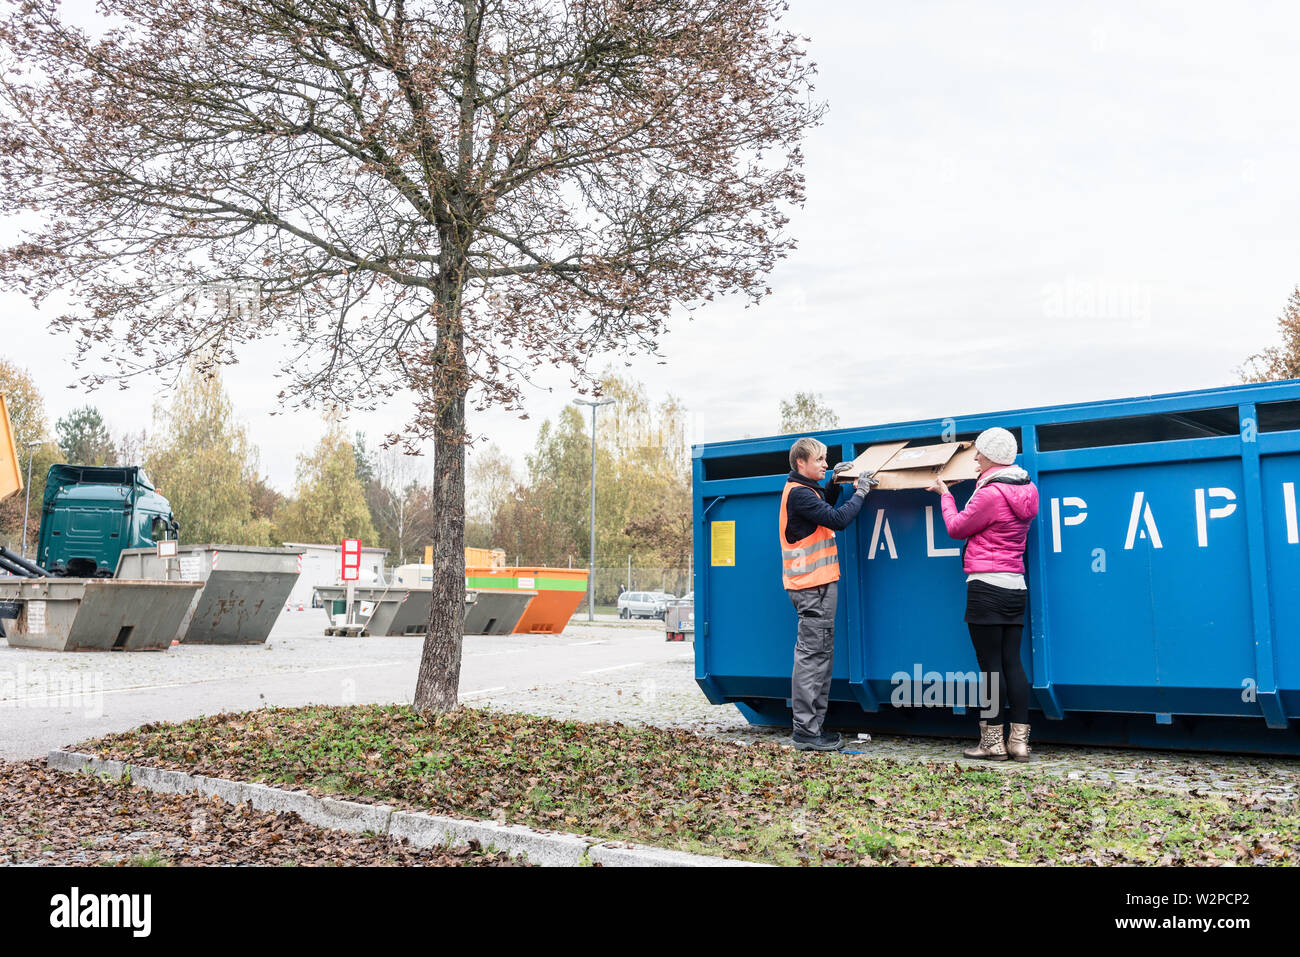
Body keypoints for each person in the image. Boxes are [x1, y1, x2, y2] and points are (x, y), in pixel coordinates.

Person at [927, 427, 1039, 761]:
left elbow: (957, 527)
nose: (975, 457)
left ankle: (991, 743)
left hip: (986, 585)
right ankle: (1019, 741)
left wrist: (945, 494)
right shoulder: (1027, 488)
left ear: (990, 456)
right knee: (1012, 664)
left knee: (990, 668)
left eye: (979, 452)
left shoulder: (989, 494)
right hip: (1015, 585)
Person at [780, 436, 875, 751]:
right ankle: (806, 732)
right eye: (820, 460)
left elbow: (823, 508)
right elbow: (838, 519)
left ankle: (812, 729)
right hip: (812, 588)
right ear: (801, 464)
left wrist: (834, 481)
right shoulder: (800, 495)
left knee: (819, 656)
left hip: (816, 585)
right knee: (812, 658)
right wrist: (860, 491)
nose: (825, 464)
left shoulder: (805, 492)